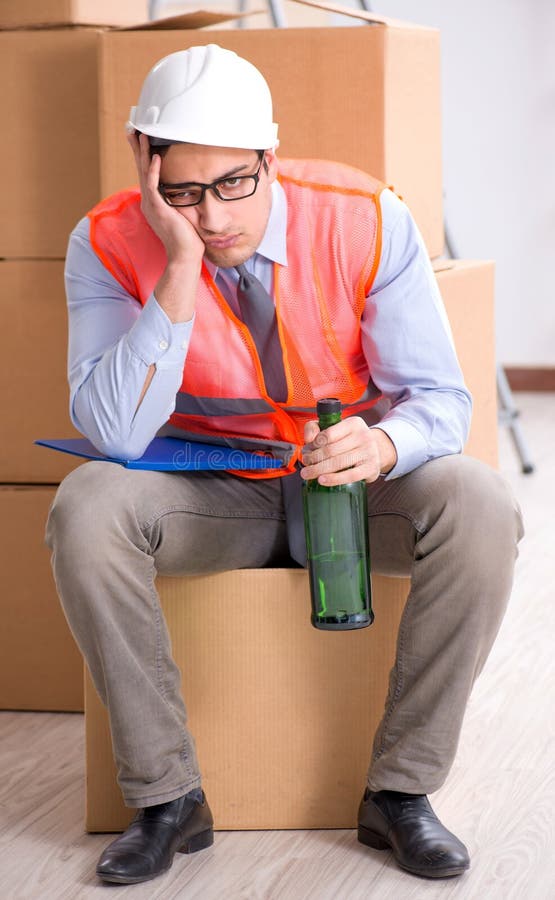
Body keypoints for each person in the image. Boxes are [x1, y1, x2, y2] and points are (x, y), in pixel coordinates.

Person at [46, 44, 523, 885]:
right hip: (209, 499)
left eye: (234, 183)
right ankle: (167, 799)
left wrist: (380, 445)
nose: (215, 214)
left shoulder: (364, 217)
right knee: (86, 506)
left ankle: (400, 793)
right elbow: (116, 433)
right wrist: (178, 271)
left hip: (348, 489)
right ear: (146, 169)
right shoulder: (110, 242)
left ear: (271, 159)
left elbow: (443, 403)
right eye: (184, 193)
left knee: (479, 501)